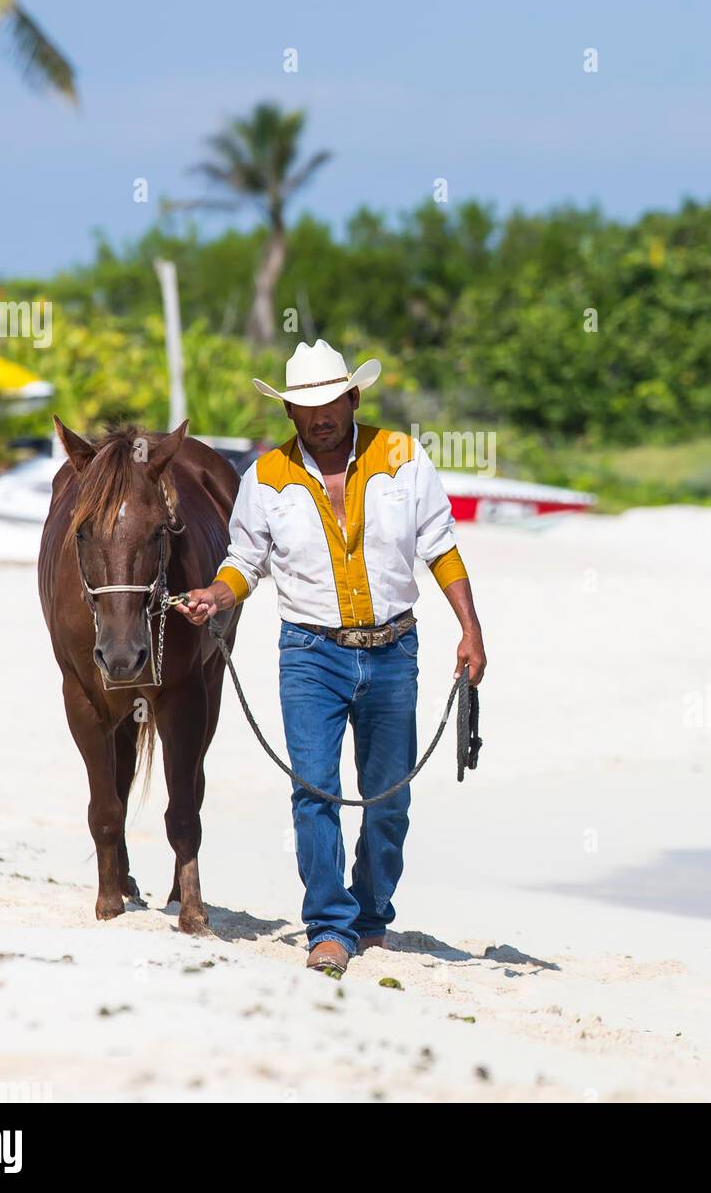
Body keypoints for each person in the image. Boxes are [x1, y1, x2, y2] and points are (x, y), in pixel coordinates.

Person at [176, 339, 487, 975]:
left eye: (330, 403)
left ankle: (371, 915)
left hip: (394, 648)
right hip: (310, 654)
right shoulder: (264, 479)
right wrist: (215, 594)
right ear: (289, 413)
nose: (320, 416)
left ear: (353, 398)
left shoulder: (402, 457)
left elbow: (441, 546)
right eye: (305, 406)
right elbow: (245, 562)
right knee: (314, 792)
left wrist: (470, 629)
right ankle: (328, 926)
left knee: (388, 799)